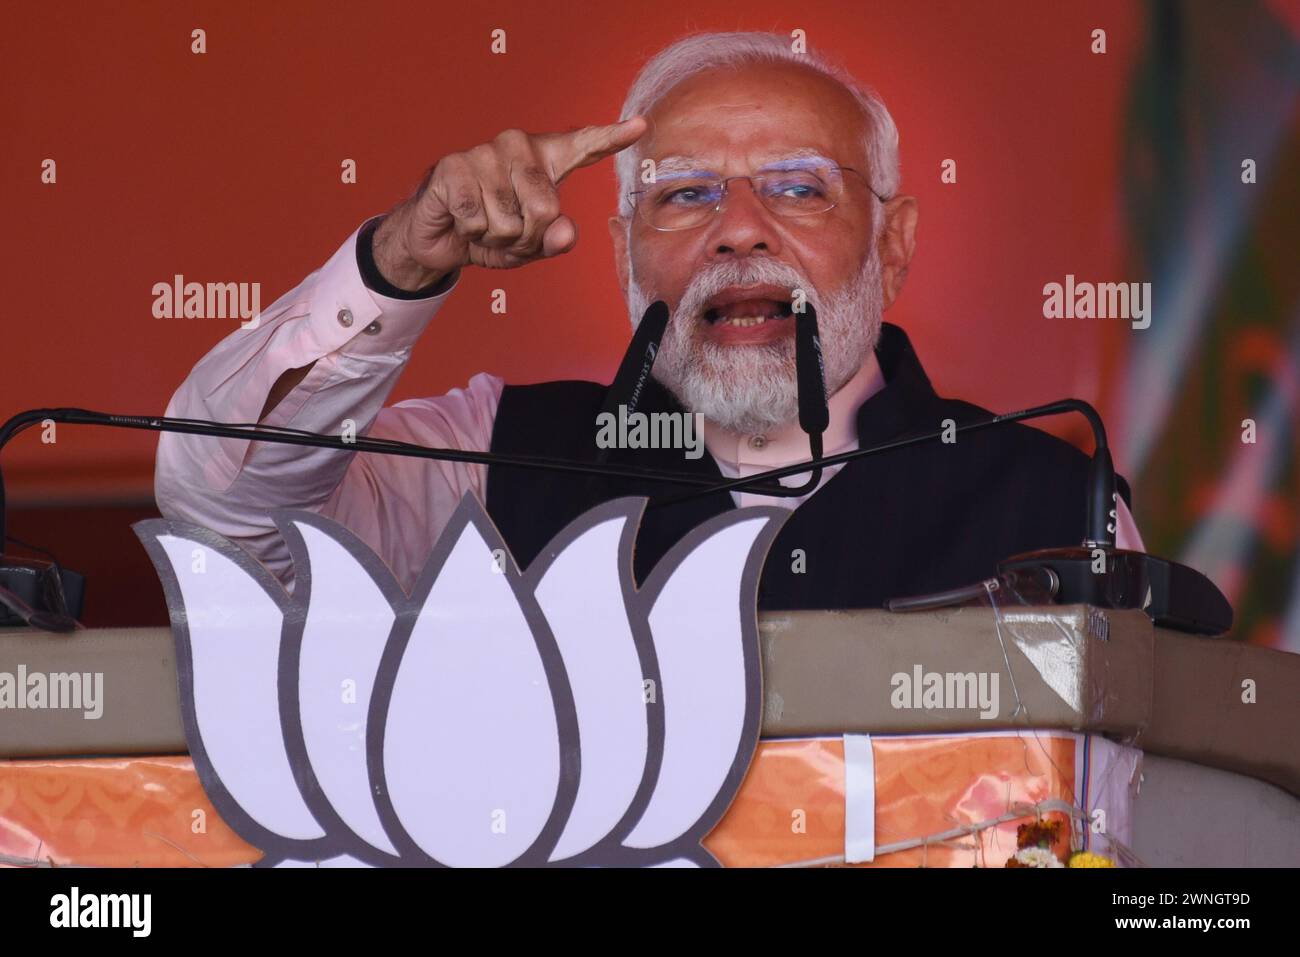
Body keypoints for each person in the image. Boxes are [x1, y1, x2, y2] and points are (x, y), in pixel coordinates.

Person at [155, 31, 1142, 610]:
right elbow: (229, 513)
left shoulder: (1052, 503)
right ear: (626, 245)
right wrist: (399, 263)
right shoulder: (494, 457)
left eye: (798, 189)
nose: (738, 232)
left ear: (892, 242)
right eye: (683, 195)